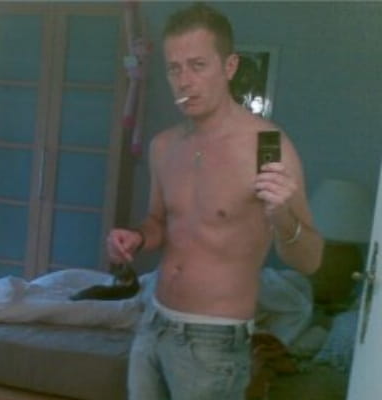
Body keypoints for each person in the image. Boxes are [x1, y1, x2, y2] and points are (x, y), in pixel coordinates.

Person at [107, 2, 324, 399]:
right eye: (174, 68)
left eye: (197, 65)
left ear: (229, 66)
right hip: (153, 322)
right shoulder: (163, 146)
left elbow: (310, 260)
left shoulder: (267, 147)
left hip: (214, 341)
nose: (184, 81)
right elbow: (157, 221)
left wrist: (282, 215)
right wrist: (136, 237)